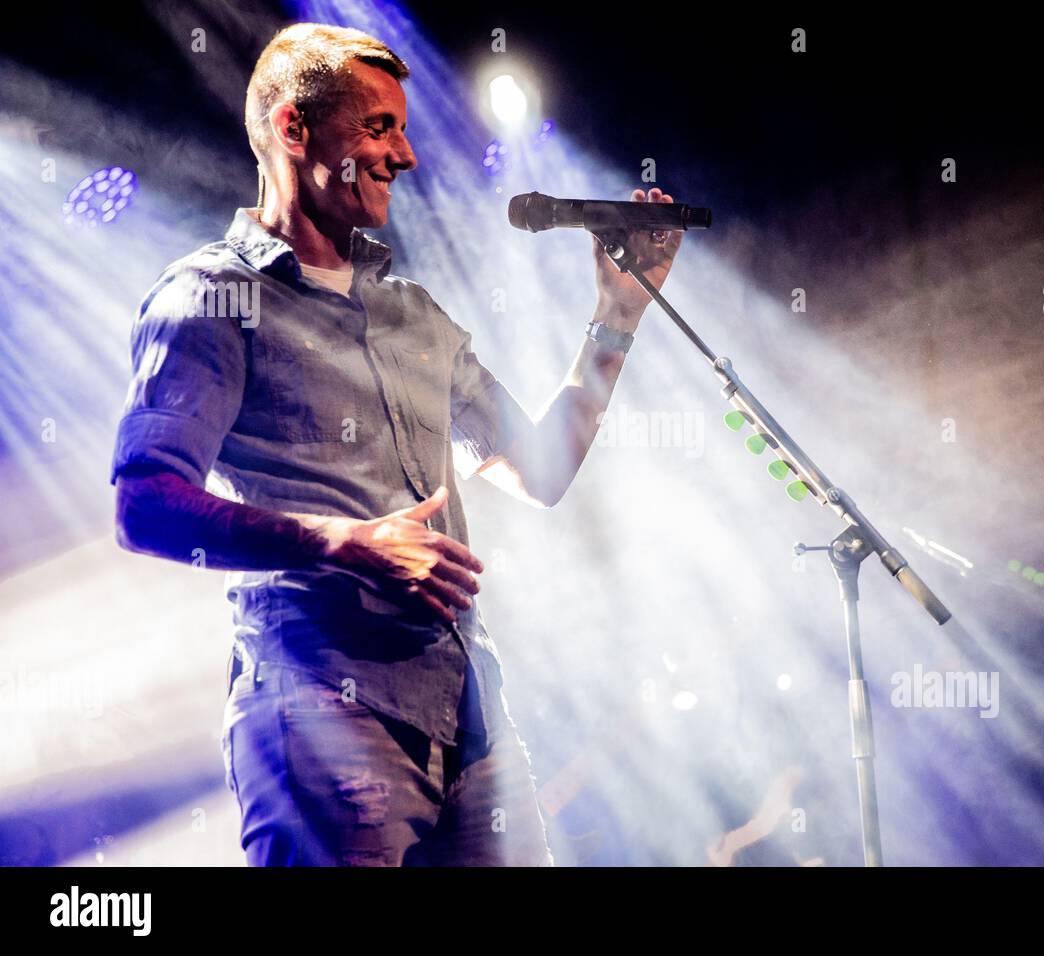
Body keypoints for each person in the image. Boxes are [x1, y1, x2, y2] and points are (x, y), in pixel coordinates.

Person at [109, 22, 682, 866]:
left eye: (405, 129)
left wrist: (617, 316)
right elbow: (143, 505)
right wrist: (342, 542)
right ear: (293, 130)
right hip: (320, 713)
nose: (406, 155)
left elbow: (542, 469)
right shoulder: (210, 298)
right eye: (379, 127)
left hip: (471, 719)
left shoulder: (414, 314)